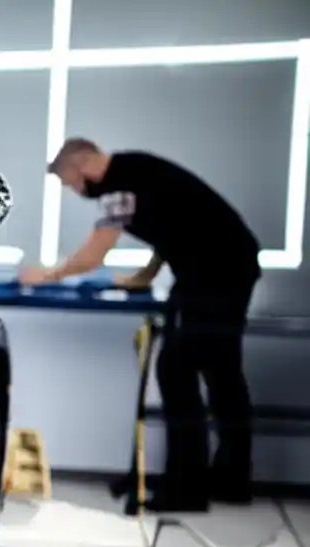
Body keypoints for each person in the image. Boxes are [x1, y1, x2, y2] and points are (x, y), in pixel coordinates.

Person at [19, 138, 262, 511]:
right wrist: (145, 275)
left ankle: (187, 489)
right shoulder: (140, 171)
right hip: (224, 266)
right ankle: (231, 480)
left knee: (176, 370)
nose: (75, 190)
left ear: (82, 164)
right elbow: (174, 228)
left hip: (216, 274)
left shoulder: (118, 184)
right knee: (221, 373)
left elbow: (94, 254)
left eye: (71, 182)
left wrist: (46, 276)